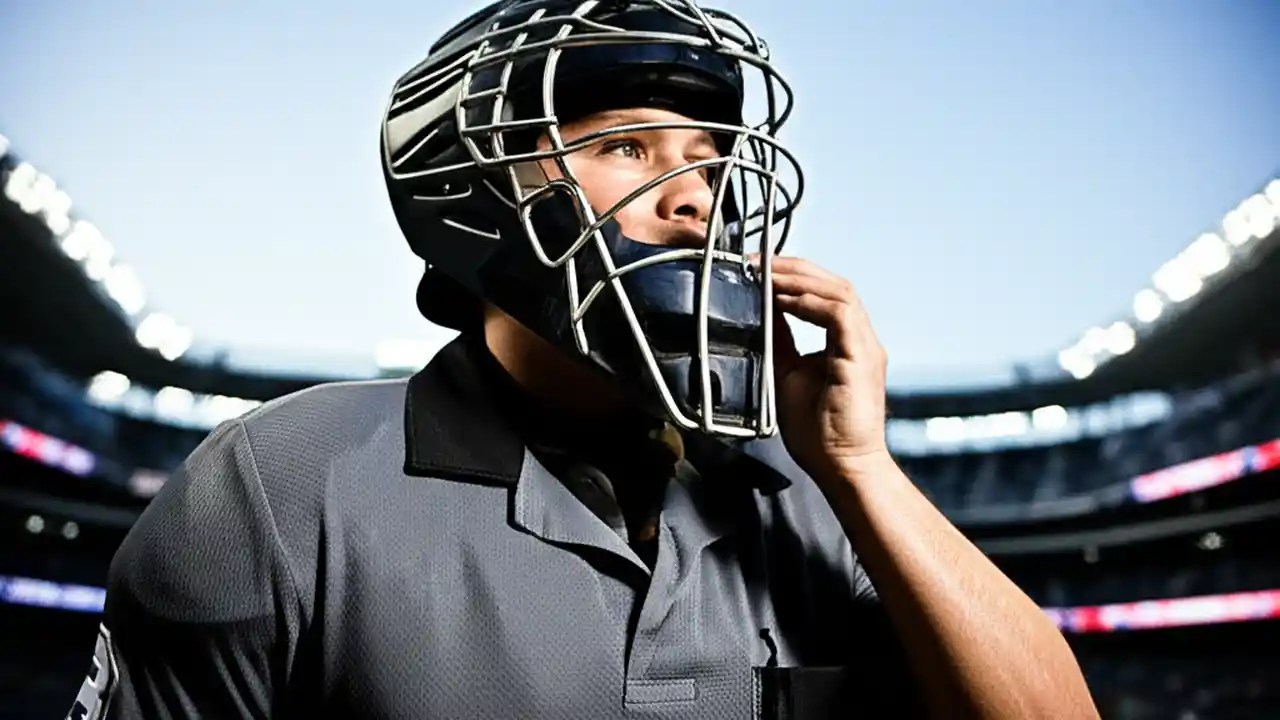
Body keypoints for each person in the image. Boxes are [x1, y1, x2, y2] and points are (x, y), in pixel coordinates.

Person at [67, 1, 1099, 718]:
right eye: (626, 147)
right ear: (478, 198)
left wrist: (860, 472)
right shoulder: (282, 483)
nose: (696, 196)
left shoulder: (811, 499)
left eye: (706, 160)